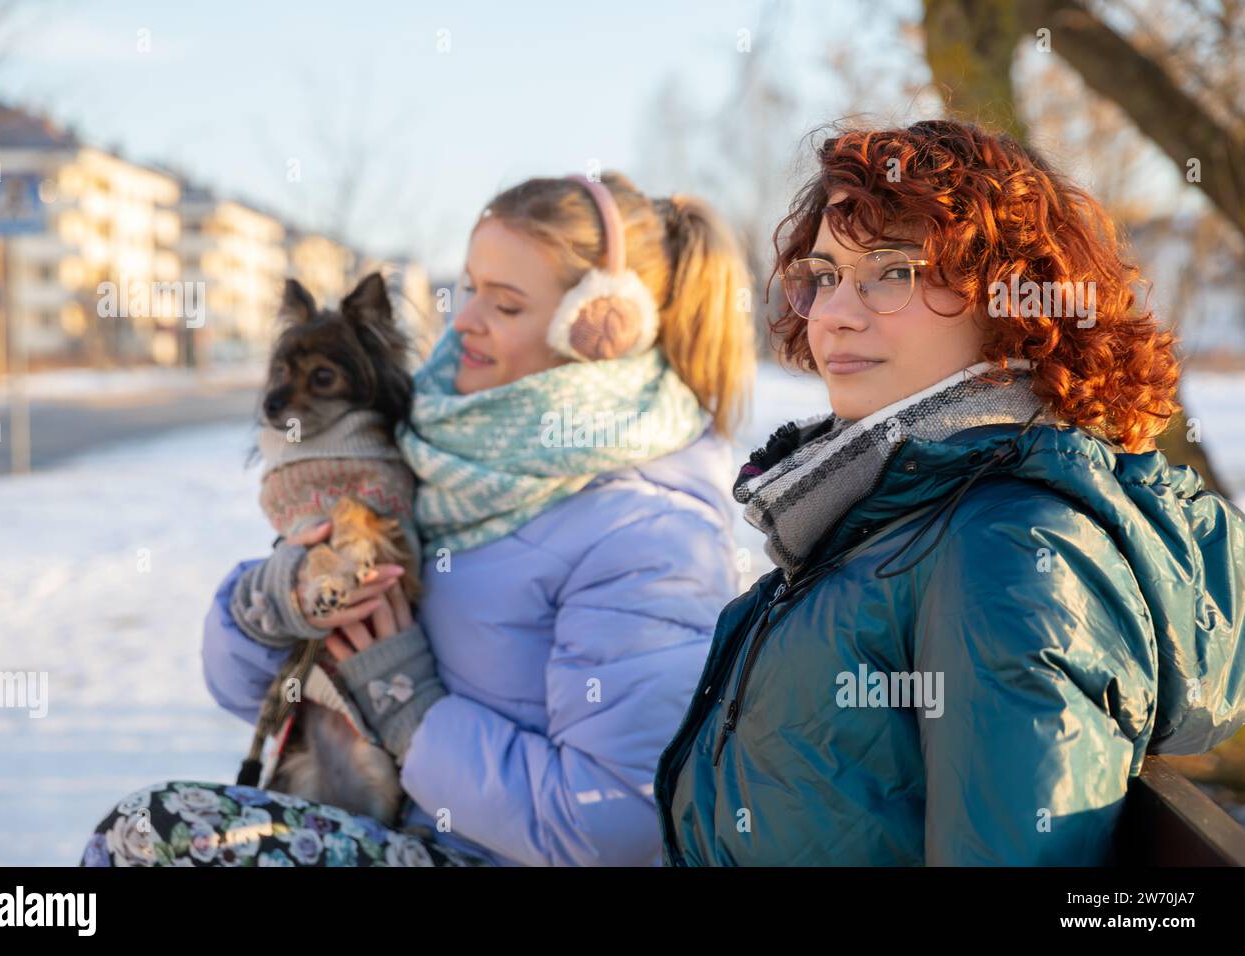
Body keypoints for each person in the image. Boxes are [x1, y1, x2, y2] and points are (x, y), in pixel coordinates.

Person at [81, 171, 756, 867]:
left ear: (599, 328)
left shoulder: (648, 534)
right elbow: (242, 689)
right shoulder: (432, 455)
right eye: (470, 289)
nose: (464, 318)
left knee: (151, 836)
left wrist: (406, 706)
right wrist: (271, 604)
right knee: (144, 832)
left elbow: (611, 824)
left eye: (507, 304)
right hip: (392, 830)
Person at [654, 119, 1245, 866]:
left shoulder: (1010, 548)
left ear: (1010, 303)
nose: (834, 312)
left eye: (892, 271)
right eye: (826, 275)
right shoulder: (889, 504)